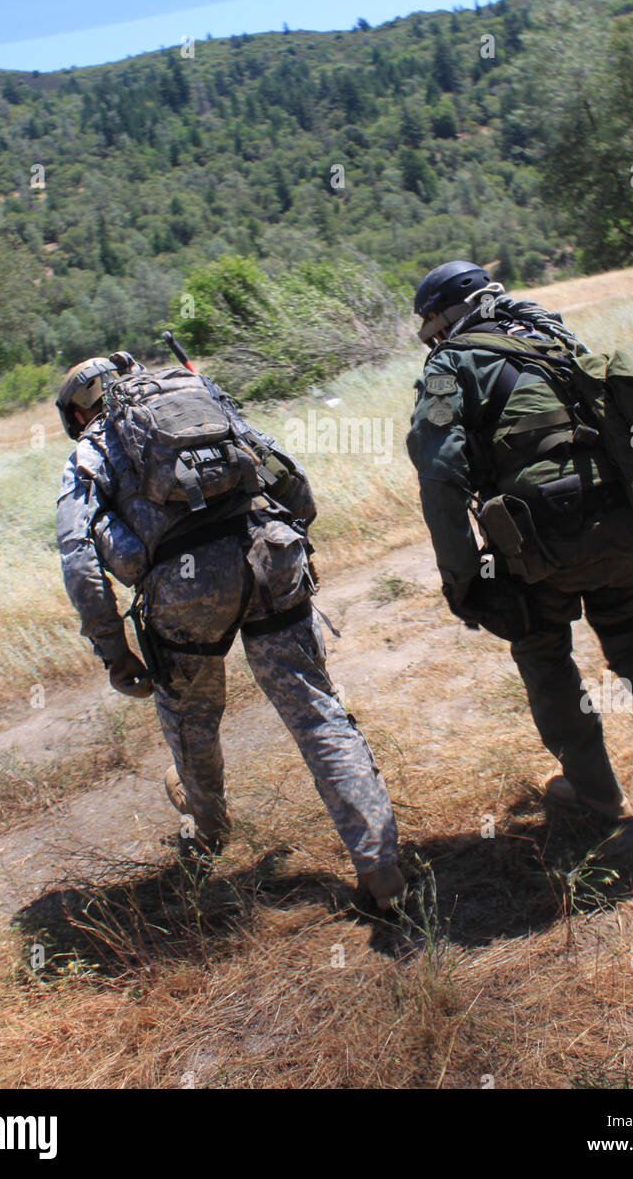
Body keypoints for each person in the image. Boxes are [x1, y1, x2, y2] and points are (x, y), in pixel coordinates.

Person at [406, 260, 633, 852]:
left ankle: (595, 791)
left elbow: (440, 475)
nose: (432, 339)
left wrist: (463, 580)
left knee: (543, 653)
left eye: (431, 327)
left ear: (445, 316)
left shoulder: (451, 365)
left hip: (538, 545)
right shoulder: (557, 337)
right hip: (631, 524)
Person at [54, 351, 404, 907]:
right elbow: (289, 476)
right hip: (270, 557)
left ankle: (210, 832)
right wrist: (302, 545)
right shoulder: (202, 405)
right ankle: (381, 871)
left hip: (185, 589)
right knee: (317, 713)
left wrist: (114, 650)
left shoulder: (91, 449)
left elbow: (78, 555)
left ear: (75, 413)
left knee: (191, 720)